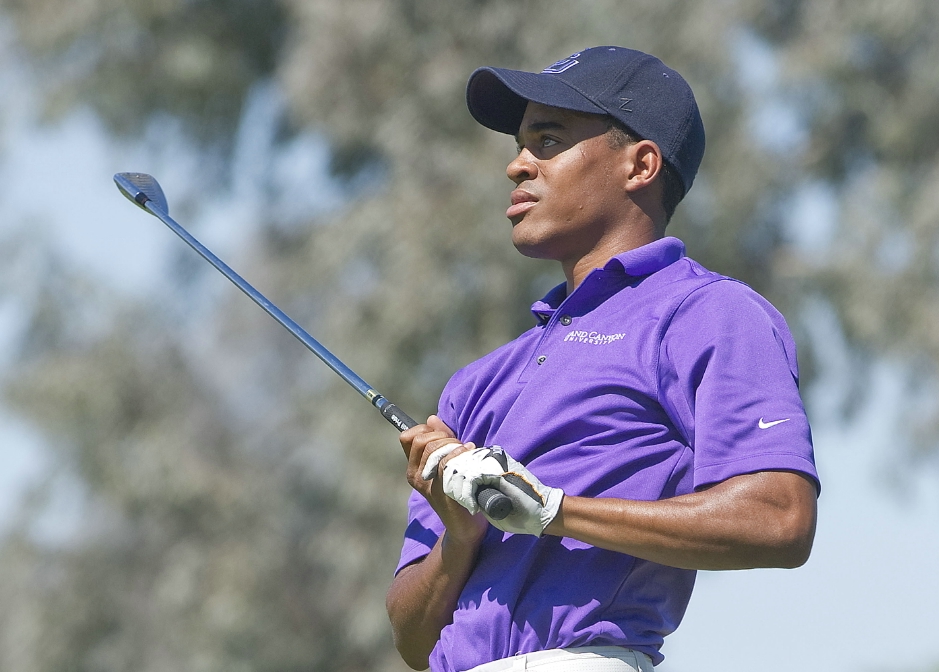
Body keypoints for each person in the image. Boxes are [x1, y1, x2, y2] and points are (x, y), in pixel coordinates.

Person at [386, 46, 820, 672]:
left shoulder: (708, 313)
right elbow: (412, 642)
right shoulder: (475, 383)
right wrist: (462, 537)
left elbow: (779, 519)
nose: (517, 165)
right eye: (520, 144)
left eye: (548, 140)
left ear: (640, 165)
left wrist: (554, 511)